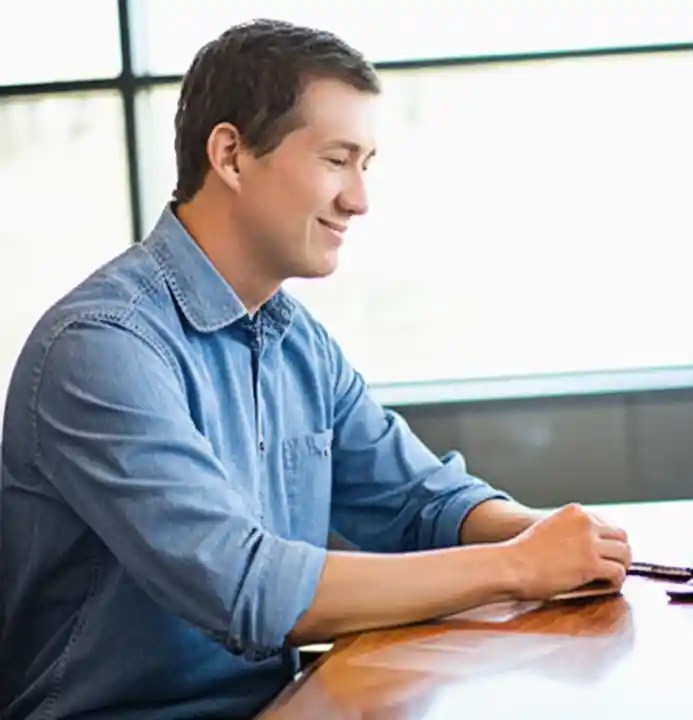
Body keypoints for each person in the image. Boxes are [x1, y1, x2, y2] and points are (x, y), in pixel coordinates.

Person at [0, 19, 630, 719]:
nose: (359, 199)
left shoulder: (296, 339)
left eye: (366, 165)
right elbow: (248, 588)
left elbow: (420, 502)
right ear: (232, 156)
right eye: (338, 159)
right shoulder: (101, 348)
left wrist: (566, 541)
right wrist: (518, 566)